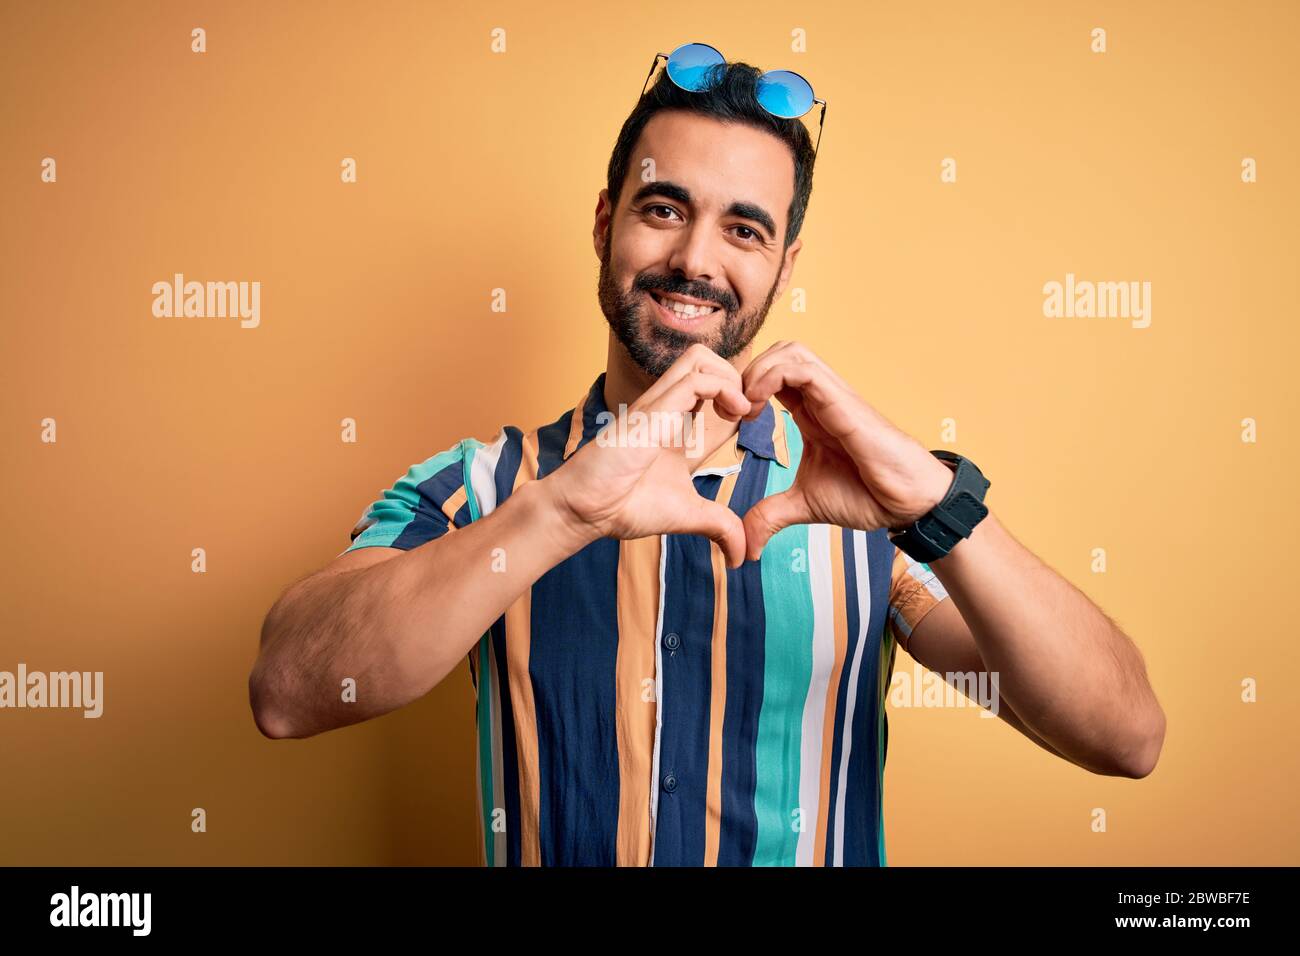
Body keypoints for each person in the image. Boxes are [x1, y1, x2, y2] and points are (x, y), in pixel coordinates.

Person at [248, 51, 1165, 867]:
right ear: (606, 222)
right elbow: (288, 692)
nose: (694, 259)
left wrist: (939, 504)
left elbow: (1122, 738)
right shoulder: (482, 487)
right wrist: (560, 513)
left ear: (783, 266)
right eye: (662, 208)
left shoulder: (868, 518)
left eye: (744, 229)